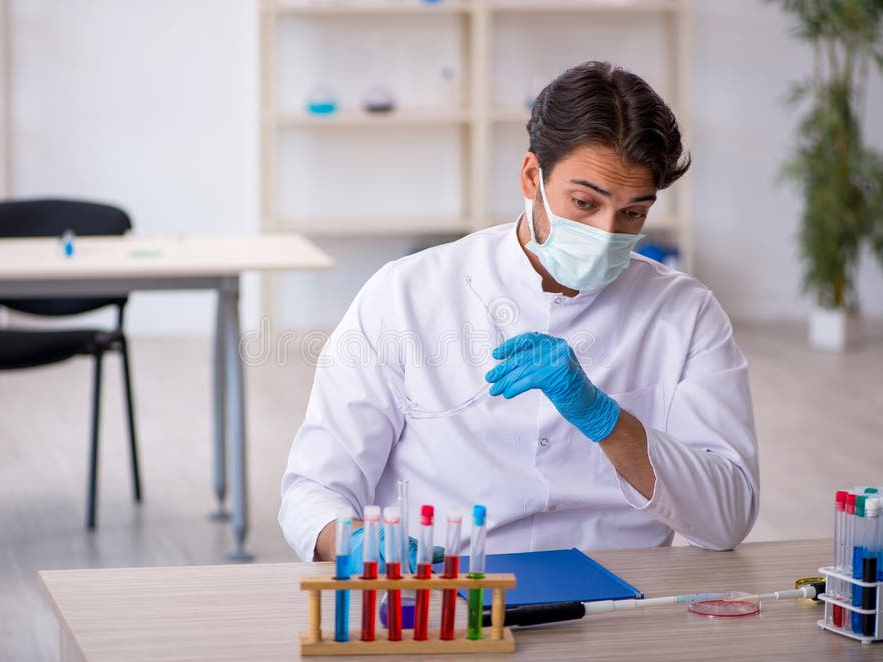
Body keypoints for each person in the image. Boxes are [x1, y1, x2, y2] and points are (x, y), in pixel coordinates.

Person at [279, 61, 759, 566]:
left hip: (619, 595)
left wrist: (606, 419)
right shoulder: (406, 296)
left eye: (633, 212)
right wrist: (354, 542)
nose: (606, 233)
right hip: (451, 589)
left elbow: (726, 519)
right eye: (584, 202)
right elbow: (313, 491)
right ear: (532, 177)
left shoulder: (686, 314)